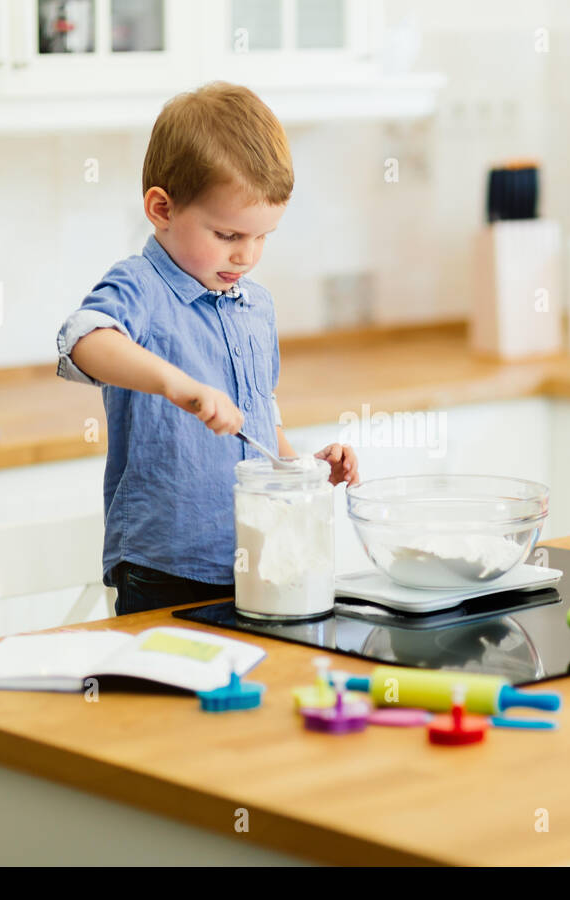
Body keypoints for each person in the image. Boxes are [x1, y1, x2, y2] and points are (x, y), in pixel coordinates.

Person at [56, 82, 359, 615]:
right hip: (163, 568)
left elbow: (260, 423)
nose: (246, 255)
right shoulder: (141, 287)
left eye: (262, 237)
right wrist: (176, 383)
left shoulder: (255, 307)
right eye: (227, 235)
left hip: (253, 559)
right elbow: (84, 339)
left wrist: (305, 468)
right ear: (162, 208)